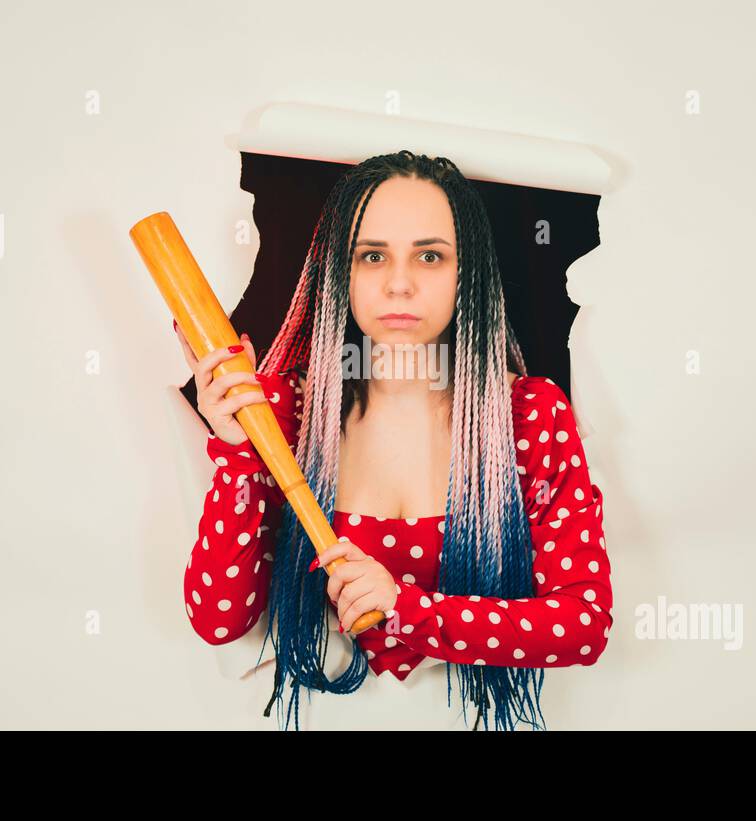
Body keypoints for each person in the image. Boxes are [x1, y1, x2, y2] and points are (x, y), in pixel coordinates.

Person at [178, 150, 613, 731]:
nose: (400, 284)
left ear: (468, 273)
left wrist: (406, 609)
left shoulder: (529, 417)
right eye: (372, 255)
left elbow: (583, 625)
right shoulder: (282, 414)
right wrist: (237, 453)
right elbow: (218, 618)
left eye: (429, 256)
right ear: (341, 272)